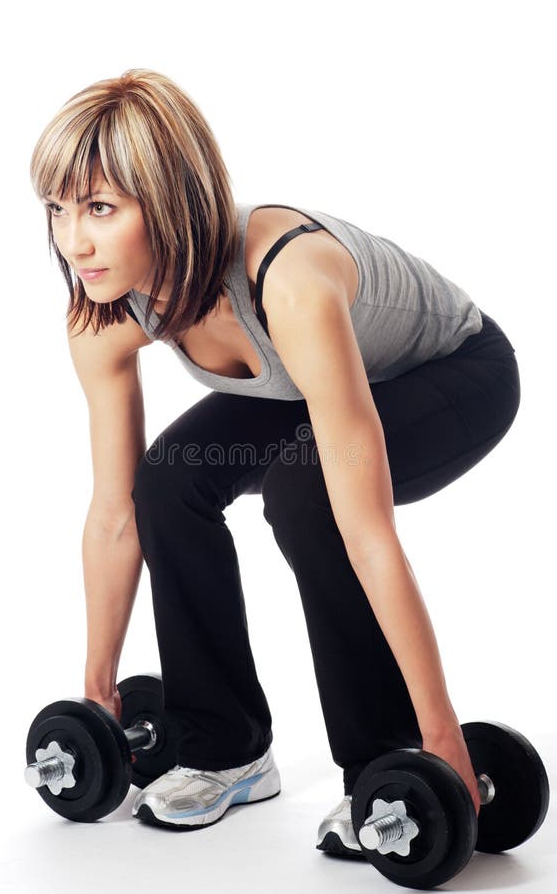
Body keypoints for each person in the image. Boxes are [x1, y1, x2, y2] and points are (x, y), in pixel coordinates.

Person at [29, 68, 520, 852]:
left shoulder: (285, 279)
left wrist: (440, 743)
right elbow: (115, 515)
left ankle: (382, 756)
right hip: (305, 384)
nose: (72, 240)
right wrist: (100, 696)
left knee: (307, 489)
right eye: (57, 207)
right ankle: (226, 748)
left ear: (171, 200)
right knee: (167, 483)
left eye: (100, 208)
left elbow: (366, 533)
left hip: (452, 373)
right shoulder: (101, 316)